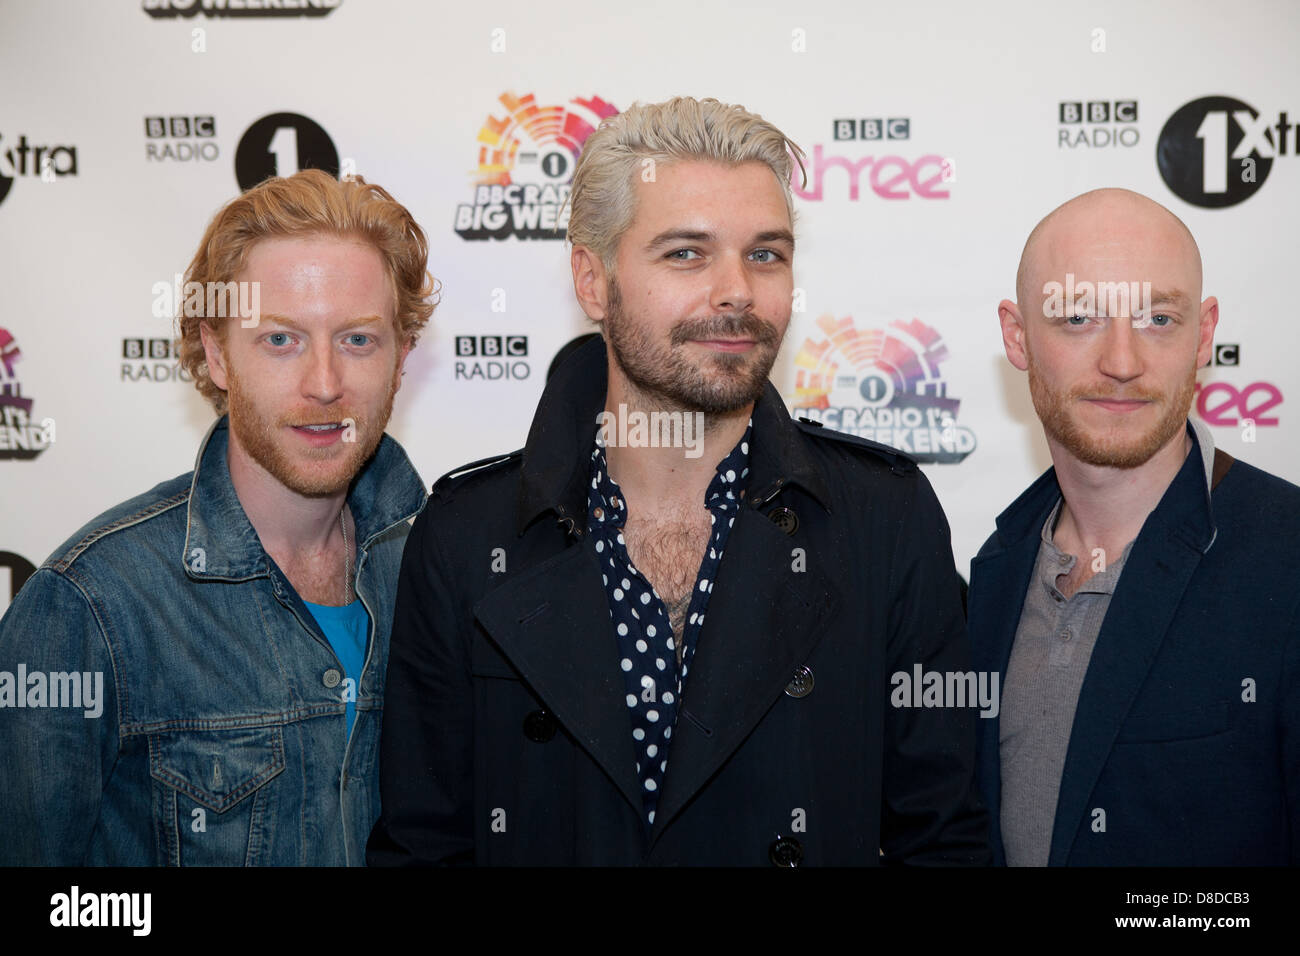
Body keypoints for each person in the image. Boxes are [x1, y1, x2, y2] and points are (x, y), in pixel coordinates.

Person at [368, 97, 989, 866]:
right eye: (686, 254)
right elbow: (426, 846)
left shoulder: (883, 519)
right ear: (593, 282)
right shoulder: (468, 536)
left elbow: (942, 840)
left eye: (766, 254)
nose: (737, 291)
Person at [0, 169, 435, 865]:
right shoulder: (95, 605)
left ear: (402, 356)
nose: (324, 383)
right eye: (280, 340)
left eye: (357, 339)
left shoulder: (434, 572)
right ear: (216, 352)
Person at [970, 187, 1300, 865]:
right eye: (1078, 317)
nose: (1122, 362)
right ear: (1017, 336)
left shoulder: (1288, 558)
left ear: (1203, 336)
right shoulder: (992, 575)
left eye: (1157, 318)